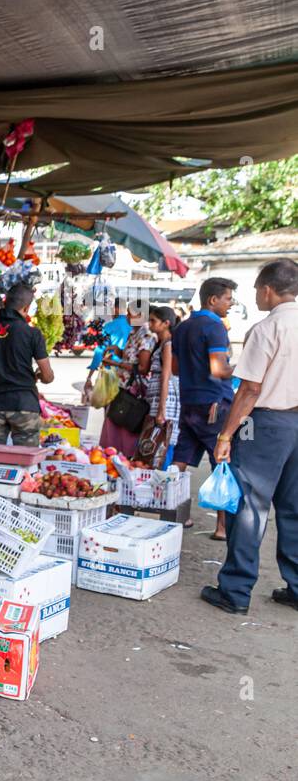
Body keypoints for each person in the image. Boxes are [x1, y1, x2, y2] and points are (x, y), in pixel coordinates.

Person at [202, 259, 298, 614]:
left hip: (267, 425)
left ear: (268, 289)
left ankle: (235, 591)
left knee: (250, 508)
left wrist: (226, 434)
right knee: (293, 508)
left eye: (257, 289)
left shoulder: (267, 328)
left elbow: (250, 388)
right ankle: (297, 587)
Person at [172, 277, 237, 541]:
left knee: (180, 461)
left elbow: (175, 369)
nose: (230, 304)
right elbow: (219, 369)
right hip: (213, 404)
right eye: (228, 299)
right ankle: (222, 528)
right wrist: (243, 370)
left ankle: (175, 518)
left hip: (188, 402)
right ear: (213, 299)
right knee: (221, 463)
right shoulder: (215, 326)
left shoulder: (182, 327)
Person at [0, 282, 54, 445]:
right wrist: (38, 375)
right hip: (24, 405)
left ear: (4, 302)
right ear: (26, 309)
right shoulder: (32, 334)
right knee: (26, 461)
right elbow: (48, 377)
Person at [97, 302, 156, 458]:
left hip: (133, 392)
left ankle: (125, 460)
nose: (128, 317)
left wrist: (116, 363)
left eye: (132, 314)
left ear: (142, 316)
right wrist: (118, 351)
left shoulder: (146, 336)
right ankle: (113, 459)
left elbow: (143, 368)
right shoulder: (133, 333)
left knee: (125, 427)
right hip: (122, 386)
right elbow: (131, 356)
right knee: (113, 426)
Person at [146, 306, 180, 466]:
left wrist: (161, 410)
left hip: (166, 400)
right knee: (156, 440)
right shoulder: (160, 343)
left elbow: (166, 376)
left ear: (166, 323)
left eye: (153, 320)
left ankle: (163, 479)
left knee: (163, 442)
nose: (150, 323)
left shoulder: (168, 344)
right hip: (158, 399)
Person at [83, 297, 132, 399]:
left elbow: (100, 350)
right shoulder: (133, 326)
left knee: (110, 405)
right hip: (128, 371)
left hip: (111, 369)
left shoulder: (109, 326)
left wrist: (89, 377)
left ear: (117, 309)